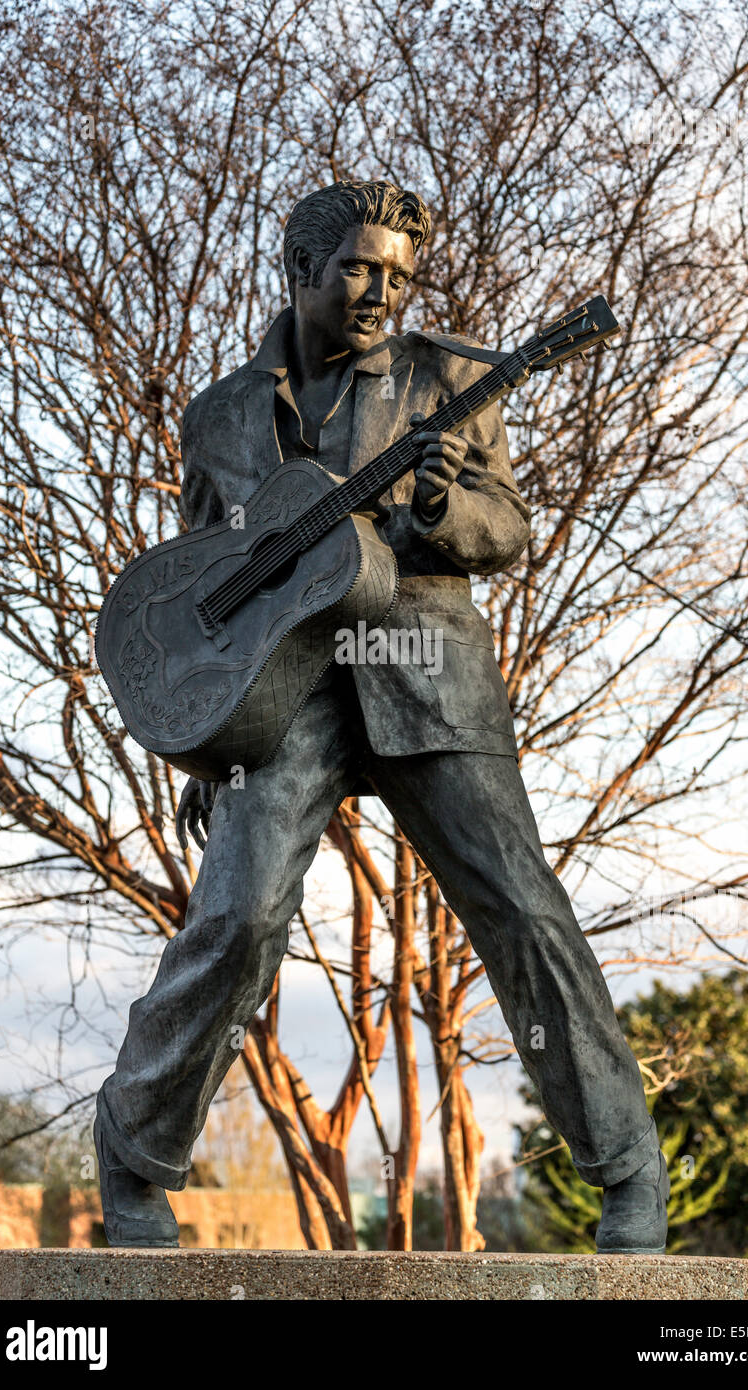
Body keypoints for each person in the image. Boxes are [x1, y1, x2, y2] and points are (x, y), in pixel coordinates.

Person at [95, 179, 668, 1252]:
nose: (379, 293)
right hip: (280, 699)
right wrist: (198, 739)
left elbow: (506, 527)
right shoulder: (220, 414)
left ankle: (627, 1173)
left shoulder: (447, 377)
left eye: (398, 276)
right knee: (236, 921)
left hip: (424, 672)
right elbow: (204, 581)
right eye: (358, 267)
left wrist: (446, 507)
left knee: (522, 913)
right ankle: (131, 1158)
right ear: (300, 268)